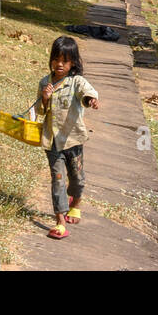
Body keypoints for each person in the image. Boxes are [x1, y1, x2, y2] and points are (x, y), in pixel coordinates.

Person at [34, 36, 99, 240]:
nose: (59, 64)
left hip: (74, 140)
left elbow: (86, 93)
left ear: (73, 63)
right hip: (52, 142)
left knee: (77, 179)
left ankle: (76, 203)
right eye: (56, 59)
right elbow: (40, 110)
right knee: (58, 180)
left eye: (64, 60)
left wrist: (91, 100)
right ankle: (60, 221)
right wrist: (45, 98)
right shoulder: (45, 82)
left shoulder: (76, 81)